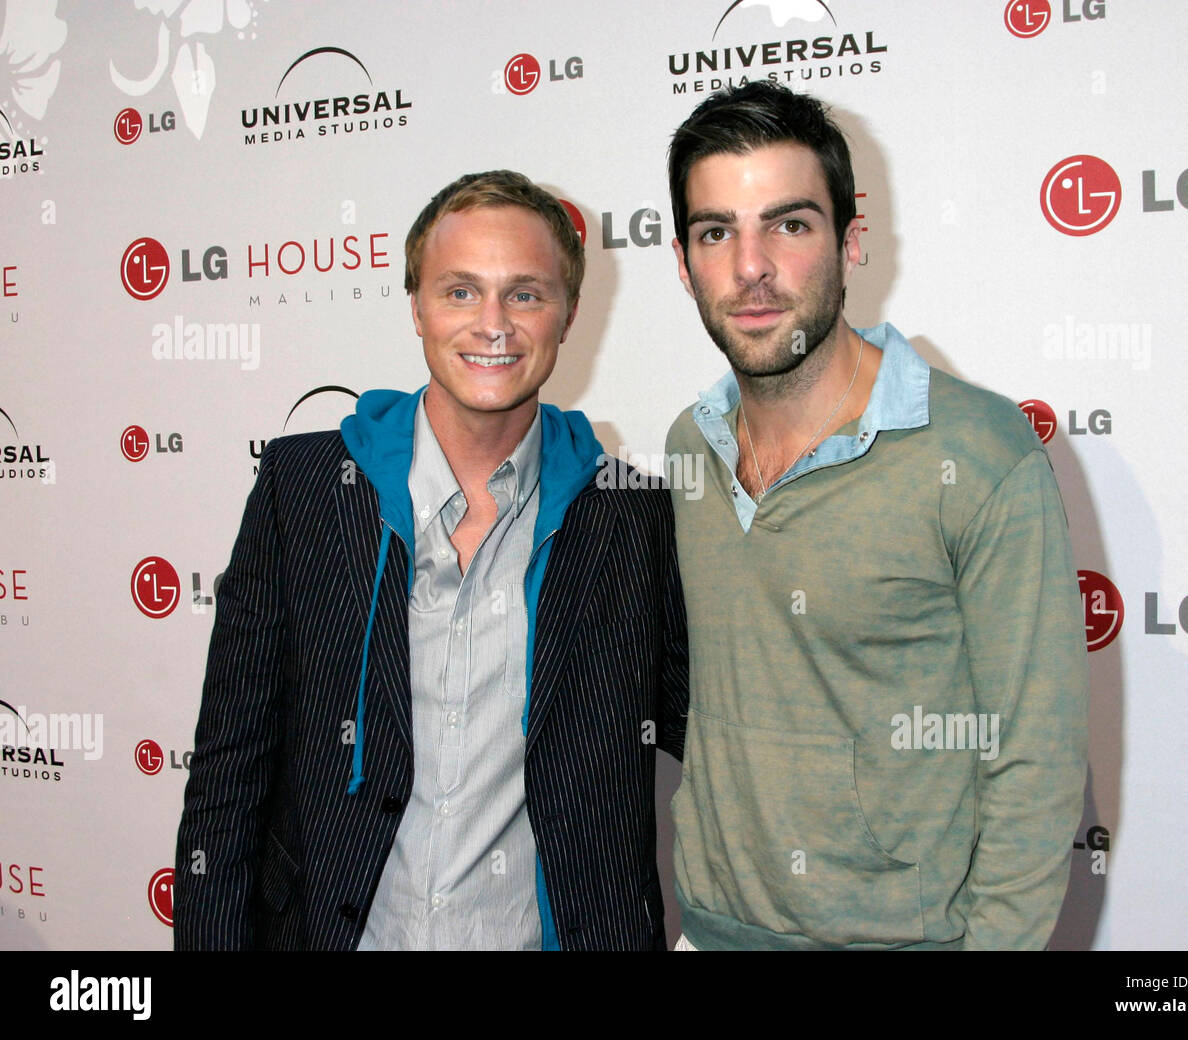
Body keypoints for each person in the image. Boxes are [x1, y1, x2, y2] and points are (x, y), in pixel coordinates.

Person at [174, 170, 688, 951]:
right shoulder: (305, 488)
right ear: (415, 305)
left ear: (568, 314)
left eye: (524, 294)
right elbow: (229, 772)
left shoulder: (631, 517)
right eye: (459, 292)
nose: (493, 325)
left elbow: (727, 730)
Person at [664, 82, 1089, 950]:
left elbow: (1035, 761)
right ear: (682, 262)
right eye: (717, 232)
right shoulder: (687, 447)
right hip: (709, 934)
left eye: (789, 225)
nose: (751, 267)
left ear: (851, 240)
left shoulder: (977, 452)